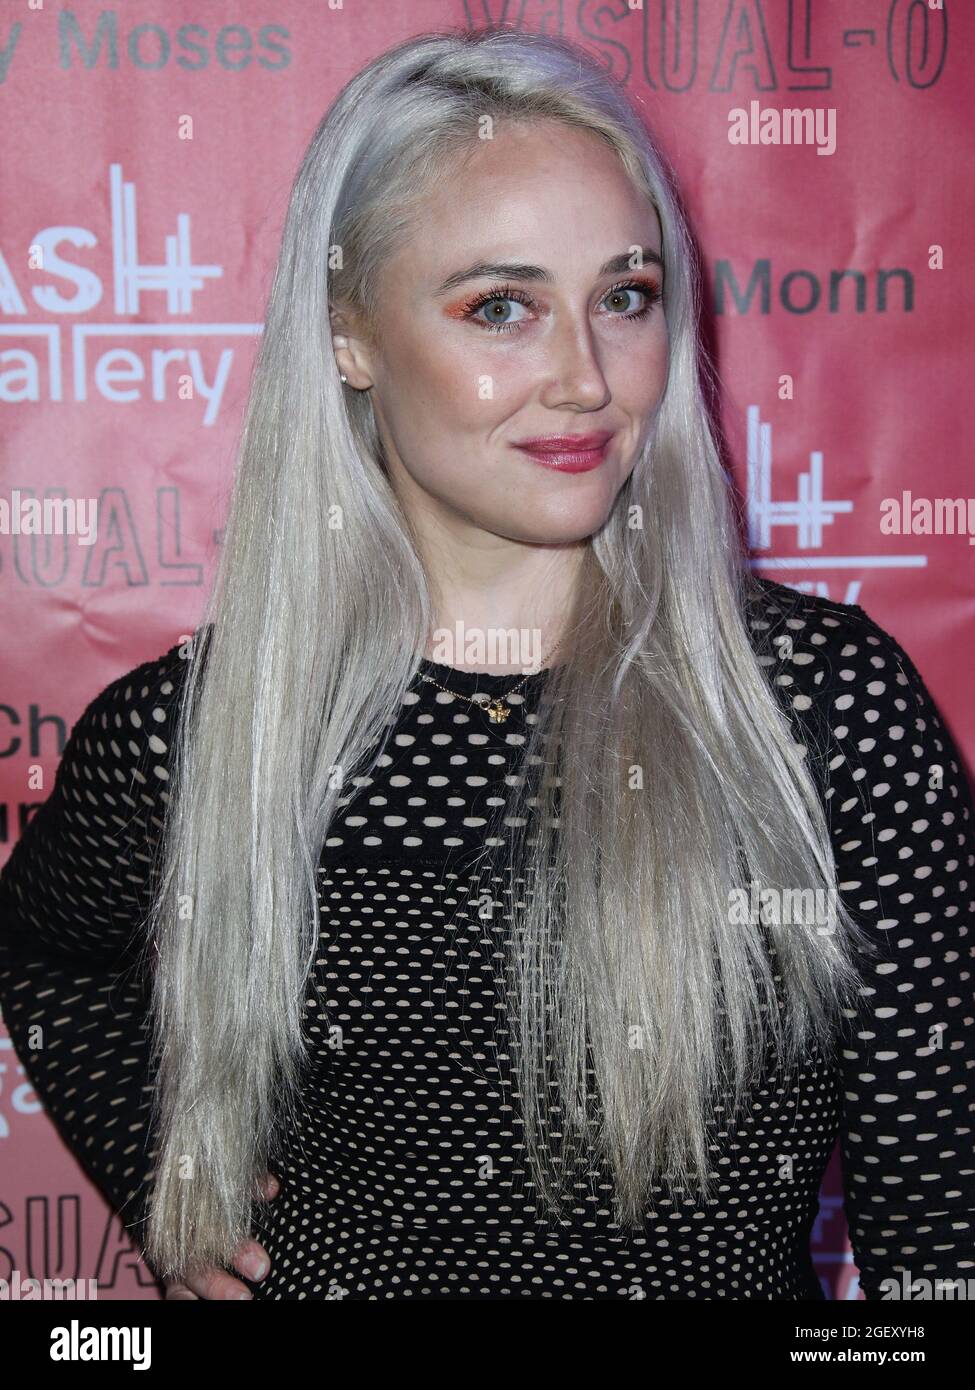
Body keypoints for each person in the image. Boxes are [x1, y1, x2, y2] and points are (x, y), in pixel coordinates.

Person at [1, 25, 972, 1303]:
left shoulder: (822, 709)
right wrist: (168, 1184)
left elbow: (939, 1234)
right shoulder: (200, 730)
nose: (583, 378)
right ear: (348, 335)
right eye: (501, 308)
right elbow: (47, 953)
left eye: (623, 296)